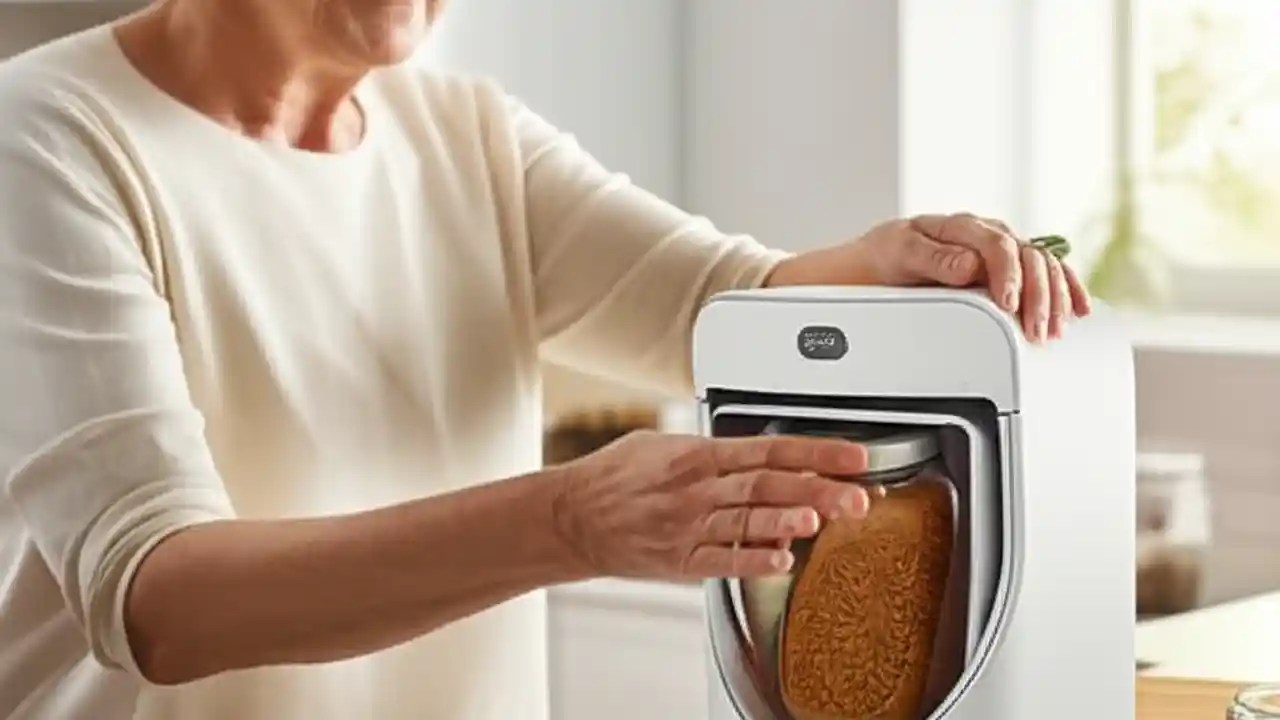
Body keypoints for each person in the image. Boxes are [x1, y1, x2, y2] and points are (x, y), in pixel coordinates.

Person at [0, 1, 1091, 718]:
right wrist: (570, 520)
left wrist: (887, 263)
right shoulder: (49, 137)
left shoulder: (461, 131)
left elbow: (720, 302)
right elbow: (161, 602)